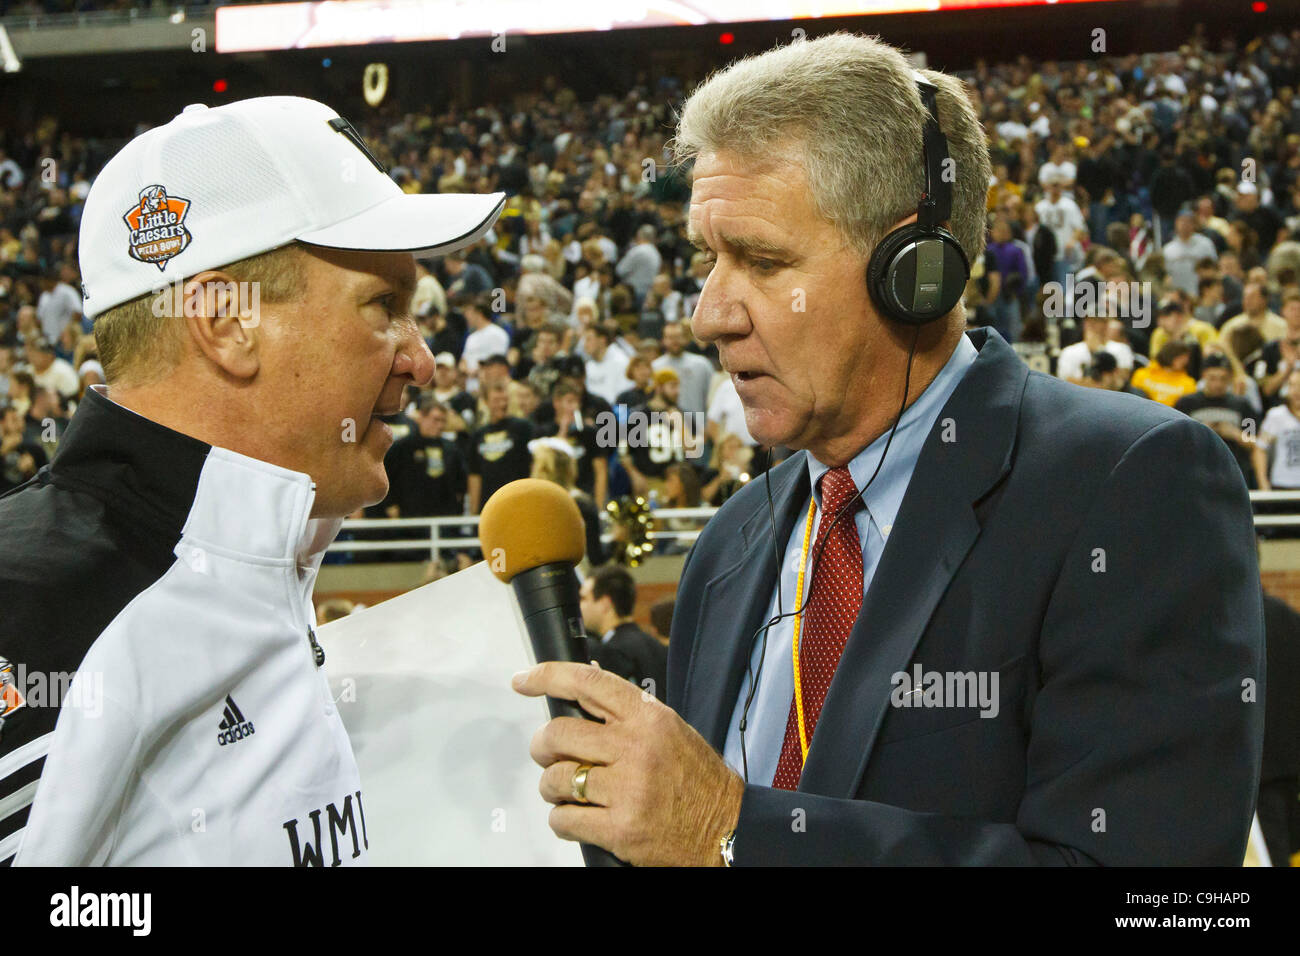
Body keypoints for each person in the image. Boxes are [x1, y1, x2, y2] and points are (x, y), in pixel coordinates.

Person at [513, 33, 1261, 866]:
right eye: (708, 259)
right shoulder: (729, 544)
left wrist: (731, 831)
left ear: (914, 268)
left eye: (762, 261)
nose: (709, 314)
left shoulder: (1131, 484)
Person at [0, 95, 505, 865]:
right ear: (229, 324)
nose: (424, 361)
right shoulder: (27, 609)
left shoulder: (246, 555)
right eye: (385, 307)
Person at [578, 566, 667, 703]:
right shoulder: (656, 645)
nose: (579, 606)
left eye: (583, 598)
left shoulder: (612, 652)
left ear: (605, 604)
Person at [1175, 353, 1256, 488]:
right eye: (1212, 378)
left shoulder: (1242, 405)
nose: (1218, 384)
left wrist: (1234, 433)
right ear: (1203, 376)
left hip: (1233, 470)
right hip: (1197, 469)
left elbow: (1252, 442)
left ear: (1230, 378)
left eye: (1223, 379)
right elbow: (1178, 441)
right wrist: (1202, 430)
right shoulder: (1187, 403)